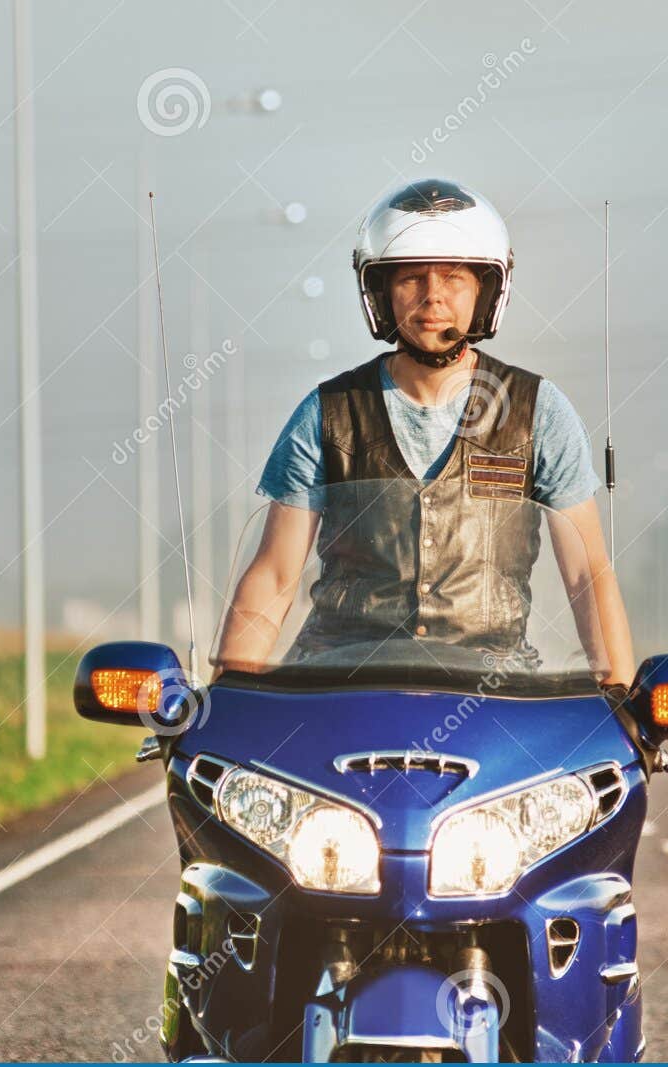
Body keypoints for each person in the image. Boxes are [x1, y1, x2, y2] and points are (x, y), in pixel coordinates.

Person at [211, 177, 635, 687]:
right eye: (412, 277)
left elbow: (587, 574)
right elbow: (275, 576)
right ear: (382, 292)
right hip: (339, 684)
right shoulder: (327, 412)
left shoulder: (539, 411)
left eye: (454, 277)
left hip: (493, 692)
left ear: (486, 290)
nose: (433, 297)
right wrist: (228, 696)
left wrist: (620, 697)